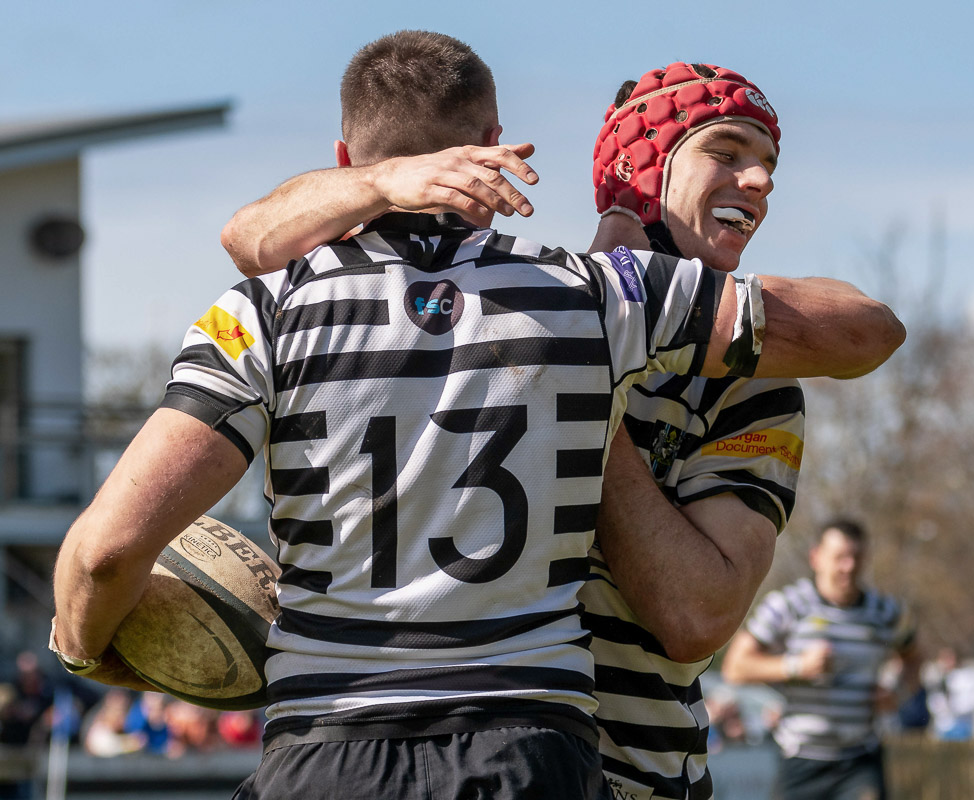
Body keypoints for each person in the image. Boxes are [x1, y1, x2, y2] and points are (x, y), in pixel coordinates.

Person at [52, 31, 904, 800]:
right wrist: (568, 375)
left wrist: (86, 649)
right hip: (530, 752)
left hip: (356, 747)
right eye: (726, 150)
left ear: (346, 155)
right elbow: (250, 232)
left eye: (767, 165)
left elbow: (106, 550)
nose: (757, 182)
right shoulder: (586, 299)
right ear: (491, 151)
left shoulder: (269, 311)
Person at [722, 518, 920, 800]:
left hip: (859, 758)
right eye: (840, 557)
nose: (849, 567)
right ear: (816, 557)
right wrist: (796, 666)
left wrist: (898, 692)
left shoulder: (885, 612)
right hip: (801, 758)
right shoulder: (788, 605)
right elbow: (734, 667)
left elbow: (914, 658)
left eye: (857, 557)